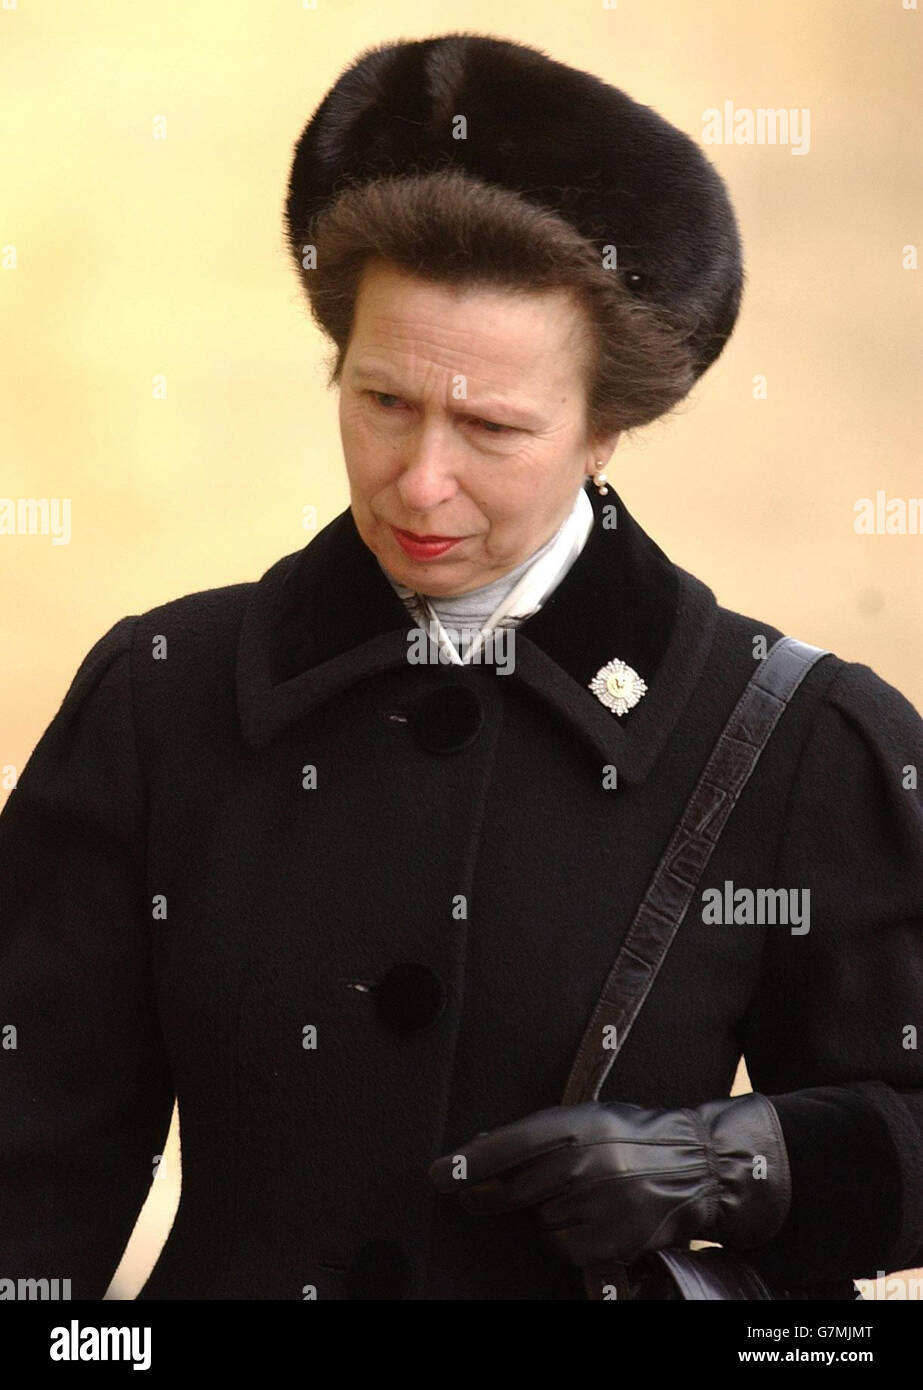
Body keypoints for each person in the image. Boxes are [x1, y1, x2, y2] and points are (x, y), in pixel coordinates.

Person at [2, 33, 922, 1302]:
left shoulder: (801, 742)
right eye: (382, 402)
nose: (420, 480)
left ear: (606, 428)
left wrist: (733, 1160)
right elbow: (28, 1169)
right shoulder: (160, 696)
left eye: (491, 427)